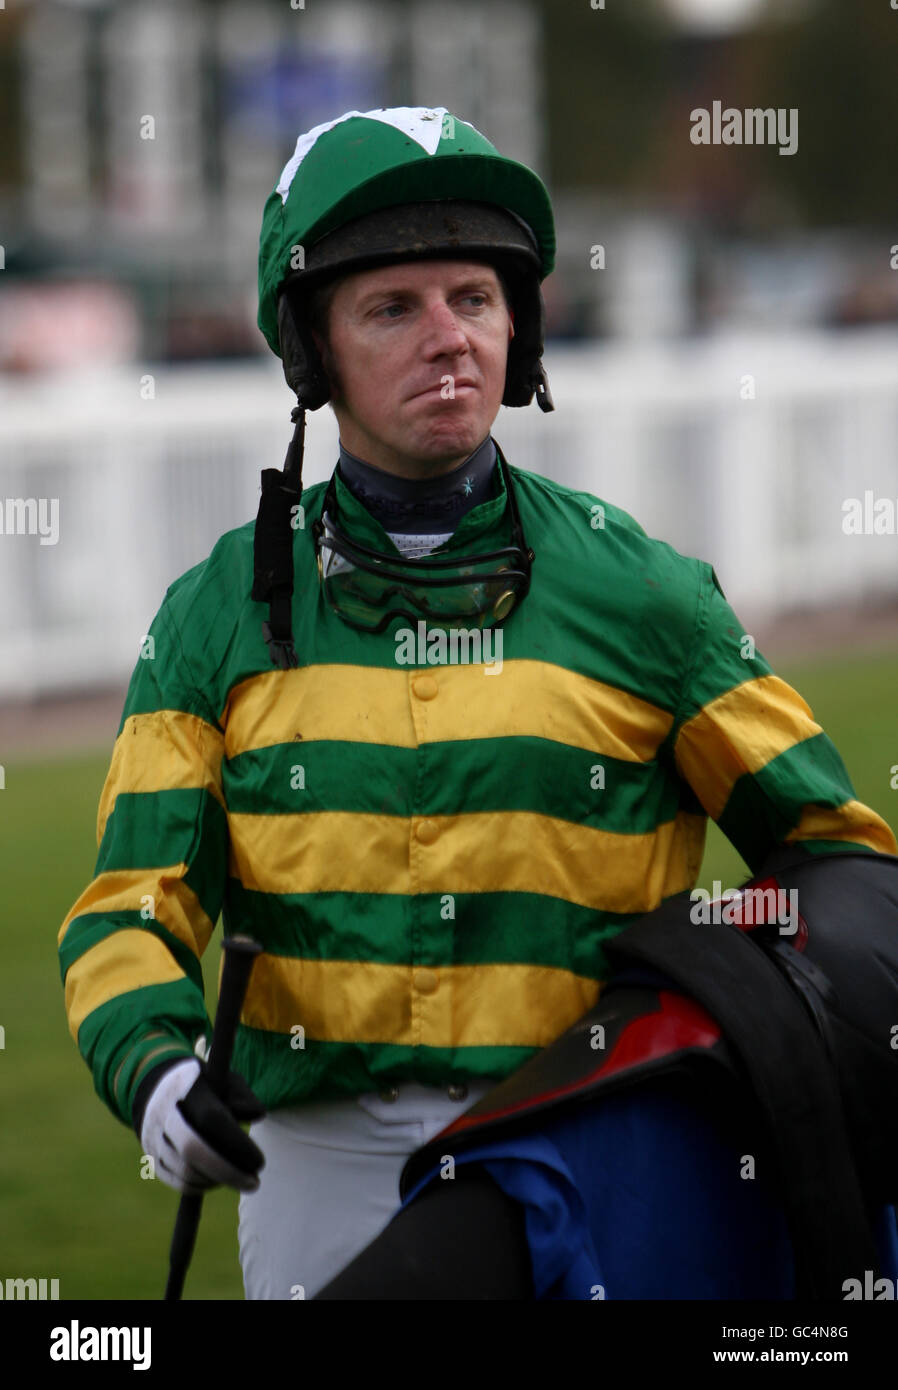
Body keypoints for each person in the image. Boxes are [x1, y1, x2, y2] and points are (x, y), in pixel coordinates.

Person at [58, 105, 898, 1301]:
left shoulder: (649, 596)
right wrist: (157, 1075)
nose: (447, 338)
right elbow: (127, 909)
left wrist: (727, 1028)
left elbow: (839, 871)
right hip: (318, 1169)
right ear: (313, 350)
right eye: (392, 308)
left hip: (589, 1135)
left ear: (522, 327)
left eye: (475, 297)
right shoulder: (213, 617)